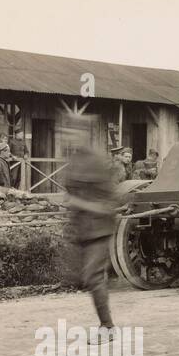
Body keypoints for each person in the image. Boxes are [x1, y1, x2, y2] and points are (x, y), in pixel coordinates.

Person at [63, 121, 120, 340]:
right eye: (65, 133)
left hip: (99, 229)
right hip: (81, 229)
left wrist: (78, 202)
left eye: (72, 131)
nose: (68, 137)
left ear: (83, 134)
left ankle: (107, 328)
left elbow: (109, 204)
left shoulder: (97, 161)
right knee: (82, 278)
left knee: (92, 277)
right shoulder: (74, 161)